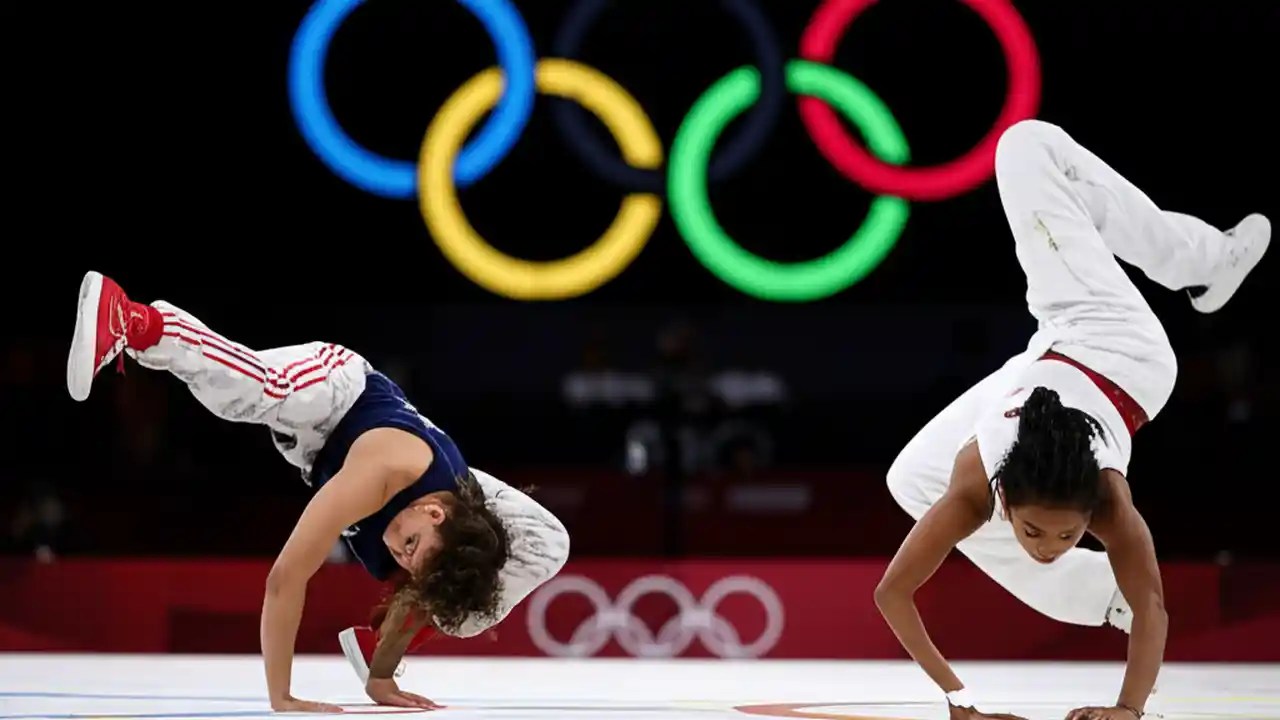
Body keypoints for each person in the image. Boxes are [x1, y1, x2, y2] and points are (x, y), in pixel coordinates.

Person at [876, 120, 1269, 720]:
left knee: (909, 479)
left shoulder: (1100, 503)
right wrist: (959, 700)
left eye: (1065, 535)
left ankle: (1207, 259)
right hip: (1117, 348)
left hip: (1048, 358)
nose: (1050, 547)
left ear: (1089, 515)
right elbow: (892, 593)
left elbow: (1154, 607)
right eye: (1038, 532)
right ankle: (1207, 259)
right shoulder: (995, 484)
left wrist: (1126, 708)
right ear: (1005, 496)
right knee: (1025, 145)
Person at [66, 271, 571, 712]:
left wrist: (380, 676)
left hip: (335, 455)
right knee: (254, 394)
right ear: (434, 513)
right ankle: (134, 319)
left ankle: (385, 643)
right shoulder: (380, 476)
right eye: (411, 543)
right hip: (338, 391)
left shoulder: (424, 541)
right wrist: (281, 696)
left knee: (480, 590)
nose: (399, 550)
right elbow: (285, 579)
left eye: (408, 557)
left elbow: (426, 573)